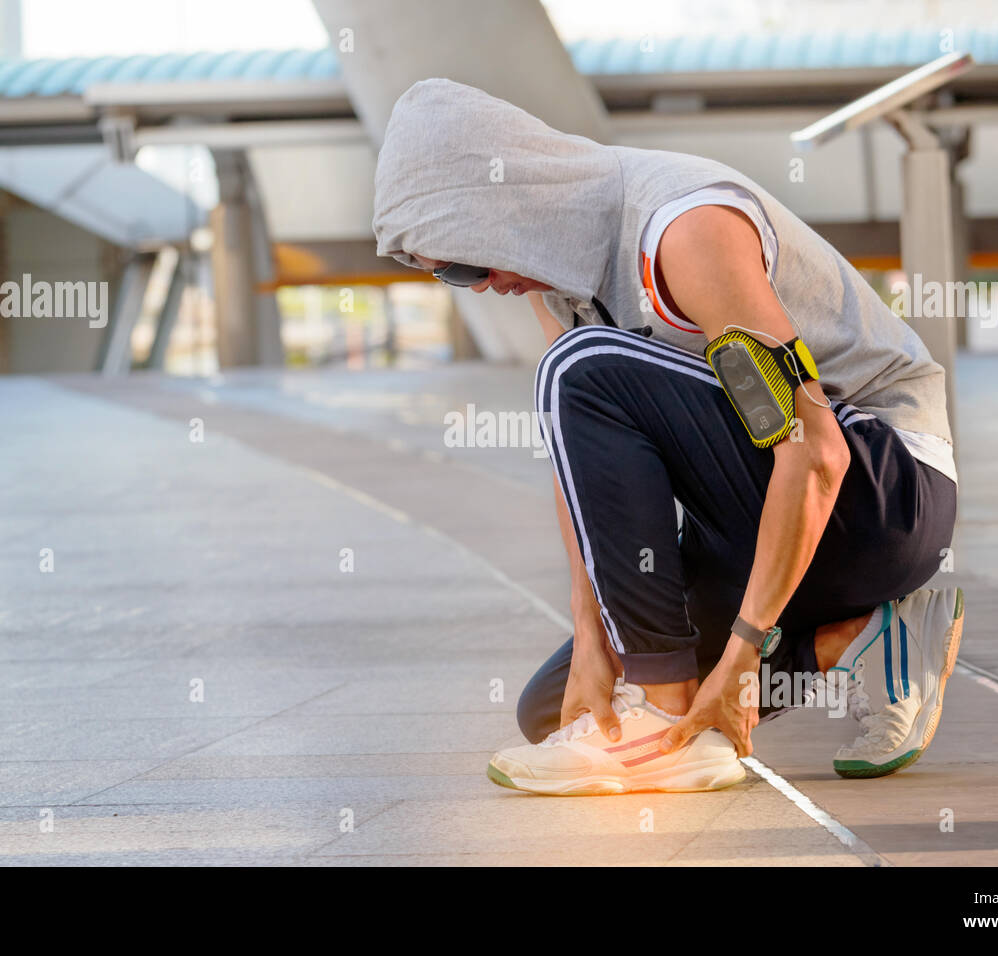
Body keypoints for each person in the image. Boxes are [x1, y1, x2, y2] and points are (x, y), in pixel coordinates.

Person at [372, 78, 964, 795]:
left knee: (580, 369)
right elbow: (578, 469)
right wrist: (593, 639)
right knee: (557, 710)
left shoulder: (684, 230)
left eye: (462, 263)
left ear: (498, 207)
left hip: (879, 496)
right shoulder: (556, 280)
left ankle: (663, 711)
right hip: (763, 521)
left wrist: (744, 650)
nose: (478, 285)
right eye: (446, 279)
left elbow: (813, 449)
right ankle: (860, 638)